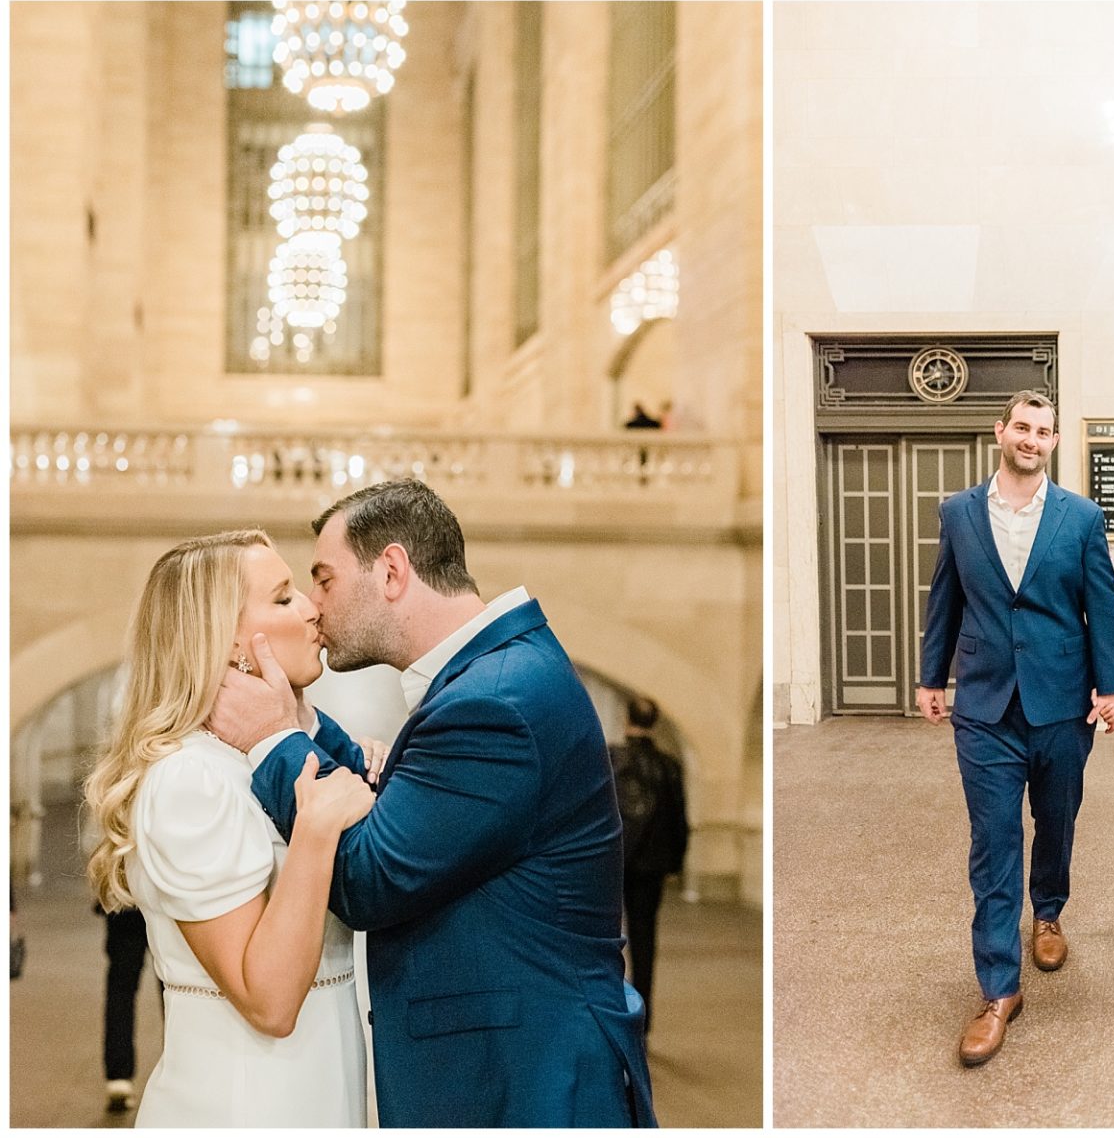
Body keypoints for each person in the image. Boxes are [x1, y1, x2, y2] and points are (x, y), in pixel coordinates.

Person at [206, 479, 657, 1128]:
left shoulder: (494, 701)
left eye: (324, 580)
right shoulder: (492, 675)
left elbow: (370, 878)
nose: (313, 606)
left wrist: (273, 738)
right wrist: (304, 724)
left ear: (391, 569)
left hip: (527, 1080)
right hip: (512, 1066)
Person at [81, 530, 381, 1126]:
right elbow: (268, 1002)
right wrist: (316, 833)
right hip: (244, 1102)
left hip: (317, 1089)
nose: (312, 607)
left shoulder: (265, 757)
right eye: (283, 597)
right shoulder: (190, 779)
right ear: (228, 643)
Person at [917, 390, 1114, 1067]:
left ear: (1054, 441)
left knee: (1057, 817)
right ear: (1000, 431)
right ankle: (998, 989)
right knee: (993, 840)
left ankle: (1050, 909)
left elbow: (1101, 604)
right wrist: (931, 676)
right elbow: (944, 596)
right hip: (984, 706)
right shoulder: (958, 512)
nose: (1032, 438)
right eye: (1023, 427)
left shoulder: (1081, 517)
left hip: (1063, 701)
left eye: (1044, 430)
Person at [608, 696, 690, 1034]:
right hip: (652, 864)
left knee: (606, 938)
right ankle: (643, 1019)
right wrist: (677, 861)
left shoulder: (611, 759)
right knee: (645, 939)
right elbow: (679, 818)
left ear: (627, 718)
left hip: (613, 861)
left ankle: (611, 1011)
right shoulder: (668, 765)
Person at [96, 904, 151, 1112]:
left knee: (120, 990)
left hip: (123, 898)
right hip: (168, 901)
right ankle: (179, 1064)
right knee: (173, 989)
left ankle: (119, 1077)